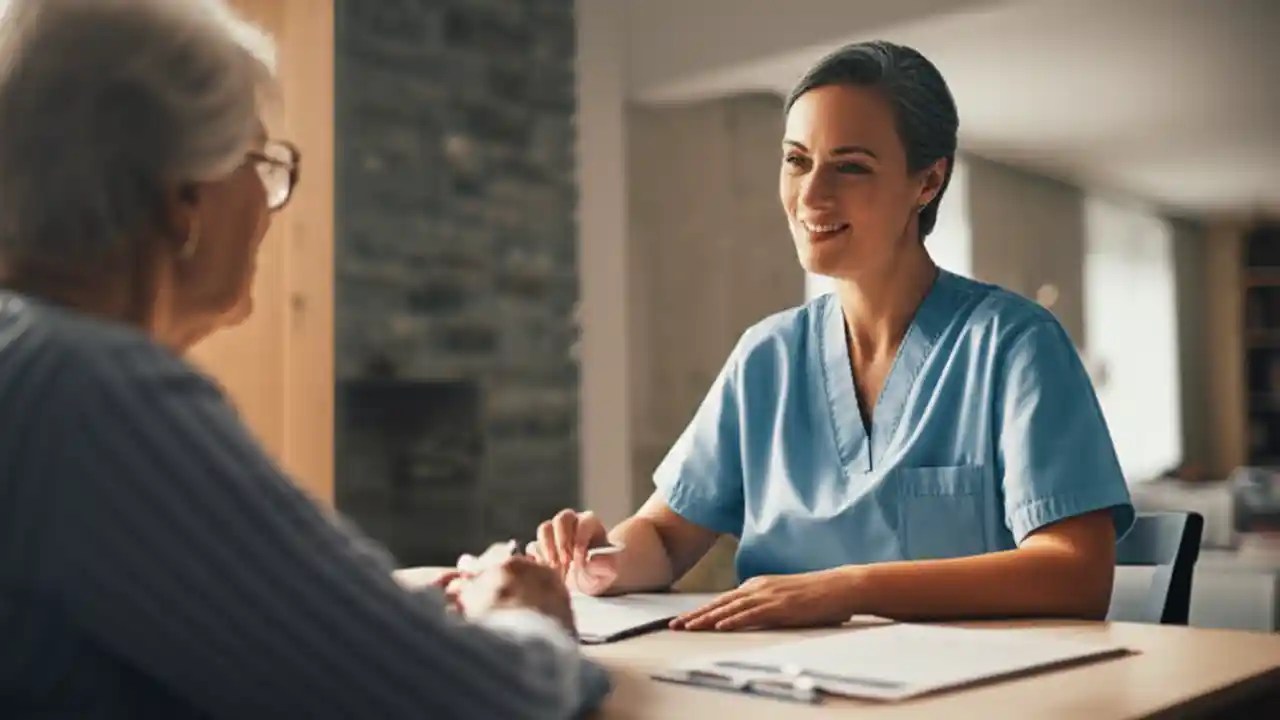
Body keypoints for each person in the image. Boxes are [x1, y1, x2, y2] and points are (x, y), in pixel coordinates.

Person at [0, 0, 606, 717]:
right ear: (181, 199)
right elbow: (466, 698)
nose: (271, 202)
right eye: (261, 162)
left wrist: (348, 605)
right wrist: (525, 614)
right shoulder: (91, 389)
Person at [533, 40, 1134, 631]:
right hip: (779, 685)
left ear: (926, 183)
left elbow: (1076, 573)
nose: (811, 195)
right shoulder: (766, 357)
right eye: (796, 160)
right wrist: (600, 561)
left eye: (850, 167)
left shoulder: (1014, 345)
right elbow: (665, 538)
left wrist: (848, 588)